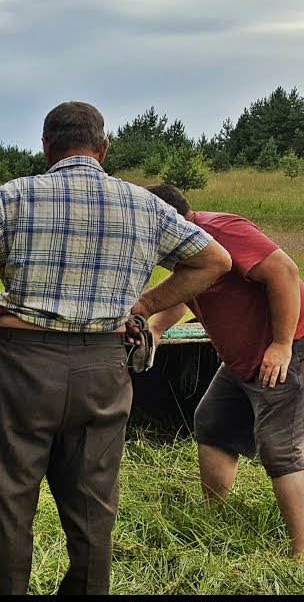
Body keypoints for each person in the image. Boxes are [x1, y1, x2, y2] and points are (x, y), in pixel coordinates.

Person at [0, 101, 232, 595]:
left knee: (9, 499)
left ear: (46, 146)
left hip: (25, 362)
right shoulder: (145, 204)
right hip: (104, 368)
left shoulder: (17, 195)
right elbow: (214, 260)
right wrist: (145, 304)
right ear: (104, 147)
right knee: (93, 506)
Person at [143, 183, 304, 556]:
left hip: (287, 350)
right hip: (242, 360)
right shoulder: (188, 254)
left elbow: (284, 271)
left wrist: (280, 345)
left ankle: (300, 553)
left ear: (166, 223)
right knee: (214, 423)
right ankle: (215, 515)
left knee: (282, 449)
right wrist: (154, 327)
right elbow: (182, 296)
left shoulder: (221, 230)